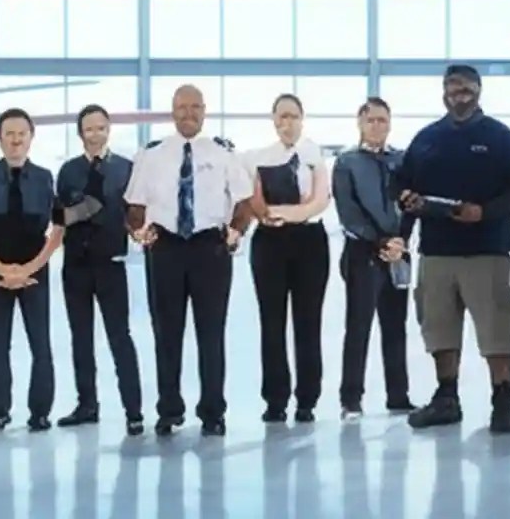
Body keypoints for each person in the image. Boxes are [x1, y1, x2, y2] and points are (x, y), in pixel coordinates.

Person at [398, 64, 510, 434]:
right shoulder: (426, 139)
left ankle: (502, 401)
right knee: (438, 327)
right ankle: (447, 398)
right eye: (451, 87)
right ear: (443, 91)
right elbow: (402, 182)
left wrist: (485, 212)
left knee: (495, 328)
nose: (458, 93)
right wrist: (406, 200)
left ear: (479, 91)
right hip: (437, 252)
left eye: (466, 87)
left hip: (486, 251)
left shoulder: (501, 138)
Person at [124, 84, 254, 437]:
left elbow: (245, 202)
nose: (189, 114)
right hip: (165, 248)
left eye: (195, 107)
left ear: (204, 110)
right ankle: (169, 410)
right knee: (166, 333)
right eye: (182, 107)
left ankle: (213, 411)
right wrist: (137, 231)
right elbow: (133, 207)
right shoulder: (150, 155)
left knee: (211, 333)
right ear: (172, 110)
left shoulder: (224, 153)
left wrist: (237, 230)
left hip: (209, 248)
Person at [0, 108, 64, 432]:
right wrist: (2, 270)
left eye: (21, 133)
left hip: (36, 269)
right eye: (9, 133)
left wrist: (29, 269)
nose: (15, 140)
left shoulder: (44, 178)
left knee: (41, 342)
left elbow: (58, 231)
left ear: (31, 137)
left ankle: (40, 412)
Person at [55, 104, 145, 437]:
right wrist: (81, 212)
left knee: (120, 336)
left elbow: (134, 214)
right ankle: (87, 405)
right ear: (80, 134)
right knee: (81, 337)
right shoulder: (68, 171)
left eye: (100, 128)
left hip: (111, 265)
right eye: (89, 129)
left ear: (109, 129)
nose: (95, 134)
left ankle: (133, 410)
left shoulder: (126, 169)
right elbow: (60, 216)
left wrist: (139, 232)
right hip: (75, 266)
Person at [245, 93, 332, 423]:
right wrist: (276, 213)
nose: (287, 123)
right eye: (281, 116)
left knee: (308, 322)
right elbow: (257, 204)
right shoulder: (260, 158)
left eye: (293, 116)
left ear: (302, 118)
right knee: (272, 323)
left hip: (310, 243)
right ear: (273, 120)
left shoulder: (316, 157)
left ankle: (308, 399)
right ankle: (275, 400)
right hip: (270, 243)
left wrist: (289, 213)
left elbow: (319, 201)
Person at [331, 96, 415, 421]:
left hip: (397, 252)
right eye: (371, 120)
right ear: (360, 124)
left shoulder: (402, 161)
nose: (377, 126)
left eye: (382, 120)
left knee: (396, 327)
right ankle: (351, 398)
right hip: (363, 252)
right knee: (359, 325)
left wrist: (401, 240)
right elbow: (348, 211)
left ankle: (399, 396)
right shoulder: (347, 162)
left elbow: (411, 203)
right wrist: (379, 239)